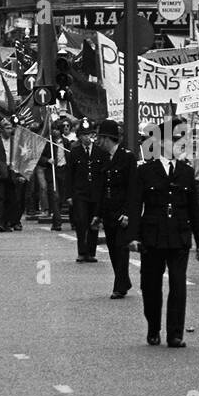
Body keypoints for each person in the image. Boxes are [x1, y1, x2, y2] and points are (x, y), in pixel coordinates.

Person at [128, 121, 199, 347]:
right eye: (175, 139)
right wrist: (133, 236)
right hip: (152, 237)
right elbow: (135, 205)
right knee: (151, 286)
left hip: (179, 236)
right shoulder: (145, 171)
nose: (181, 144)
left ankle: (175, 334)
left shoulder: (186, 172)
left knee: (178, 284)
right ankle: (153, 326)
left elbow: (195, 209)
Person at [95, 119, 137, 298]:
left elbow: (133, 188)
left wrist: (129, 213)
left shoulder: (127, 157)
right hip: (108, 210)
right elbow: (101, 188)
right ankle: (124, 281)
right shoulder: (103, 157)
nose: (98, 142)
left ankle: (119, 286)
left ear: (107, 138)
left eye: (100, 138)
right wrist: (97, 214)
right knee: (113, 249)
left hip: (122, 211)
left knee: (121, 248)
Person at [66, 119, 106, 259]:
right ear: (79, 136)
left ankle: (91, 252)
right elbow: (69, 174)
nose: (87, 137)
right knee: (81, 221)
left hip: (95, 192)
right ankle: (82, 251)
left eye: (89, 134)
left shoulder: (100, 152)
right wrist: (69, 195)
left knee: (93, 222)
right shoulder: (75, 152)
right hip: (80, 193)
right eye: (84, 135)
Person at [0, 119, 27, 232]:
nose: (10, 130)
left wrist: (20, 174)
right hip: (0, 174)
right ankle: (2, 223)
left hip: (12, 173)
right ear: (1, 129)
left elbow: (20, 158)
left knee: (12, 199)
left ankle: (11, 221)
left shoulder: (15, 141)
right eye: (7, 128)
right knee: (1, 199)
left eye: (10, 128)